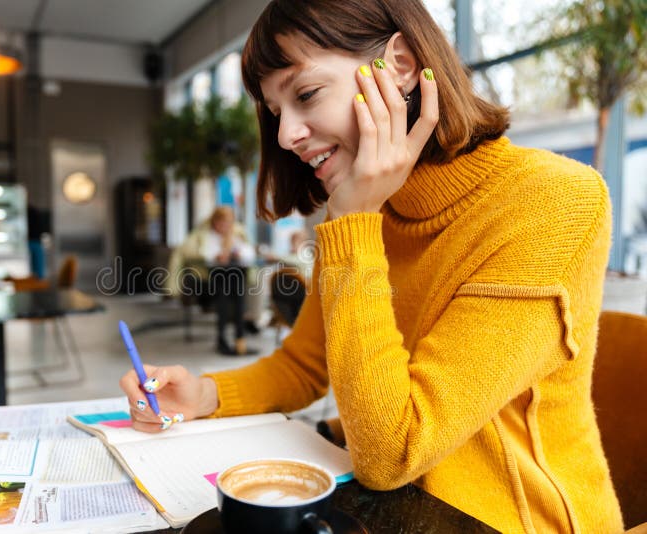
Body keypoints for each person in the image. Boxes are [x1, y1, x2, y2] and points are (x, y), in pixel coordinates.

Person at [120, 1, 623, 532]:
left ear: (400, 65)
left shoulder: (551, 201)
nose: (287, 134)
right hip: (394, 510)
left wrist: (353, 223)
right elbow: (302, 365)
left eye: (307, 94)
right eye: (275, 112)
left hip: (506, 520)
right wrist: (205, 394)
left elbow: (394, 451)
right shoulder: (368, 209)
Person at [166, 206, 257, 355]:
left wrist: (237, 253)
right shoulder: (205, 236)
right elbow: (199, 254)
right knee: (224, 293)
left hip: (233, 275)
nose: (225, 227)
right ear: (215, 222)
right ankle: (223, 339)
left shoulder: (236, 235)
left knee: (237, 292)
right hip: (207, 280)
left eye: (228, 223)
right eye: (222, 223)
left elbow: (248, 253)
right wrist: (217, 256)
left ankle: (239, 339)